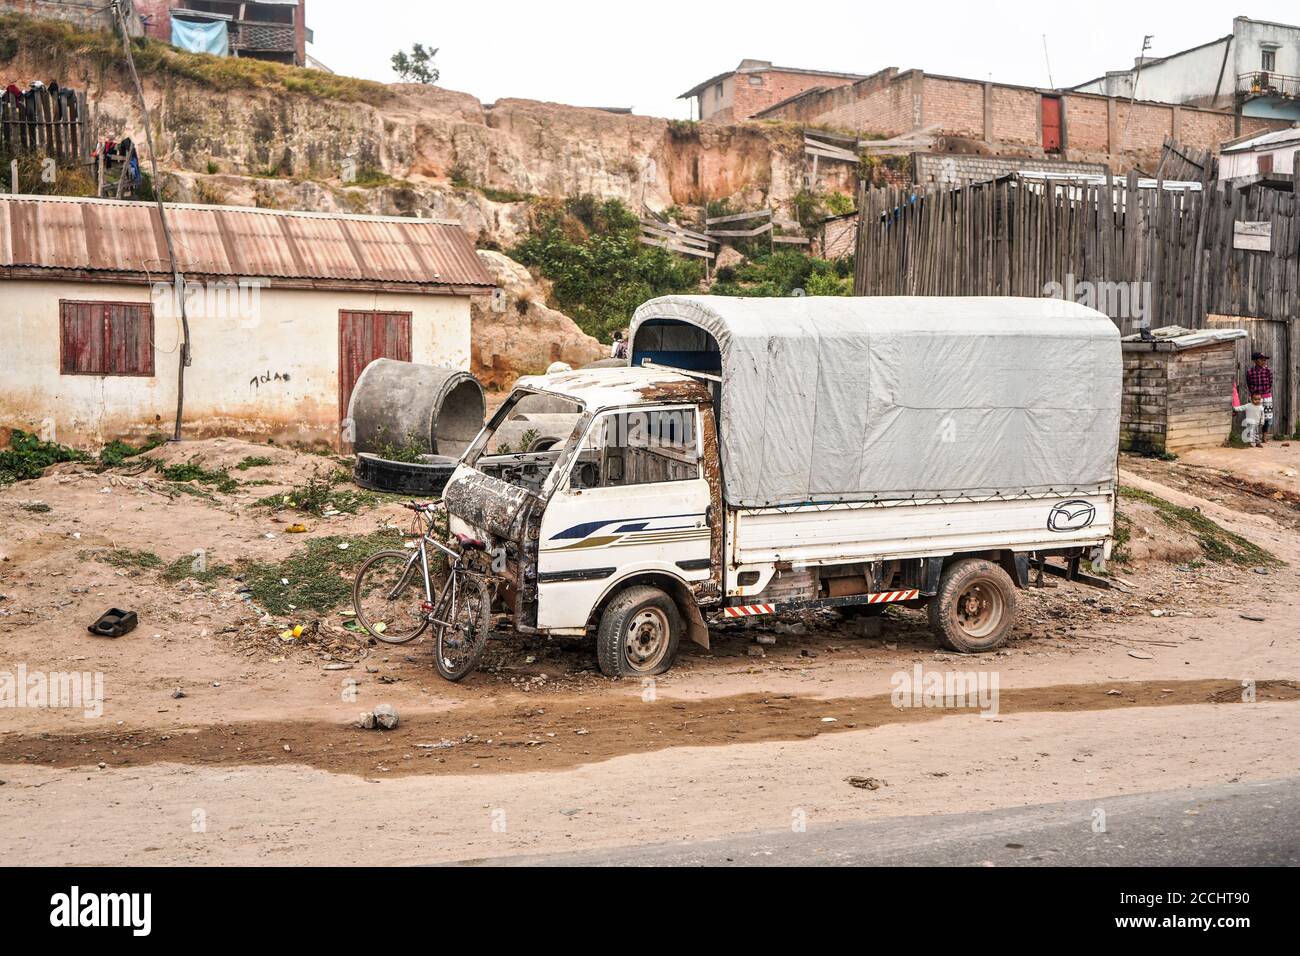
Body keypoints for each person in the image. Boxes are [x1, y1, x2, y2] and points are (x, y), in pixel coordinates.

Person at [1246, 352, 1273, 443]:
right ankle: (1253, 437)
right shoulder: (1250, 372)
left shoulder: (1268, 371)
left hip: (1267, 396)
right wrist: (1254, 394)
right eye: (1262, 359)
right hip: (1255, 397)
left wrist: (1266, 392)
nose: (1264, 361)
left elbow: (1270, 383)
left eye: (1265, 360)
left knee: (1267, 417)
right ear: (1255, 361)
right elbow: (1249, 384)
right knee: (1254, 417)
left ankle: (1264, 437)